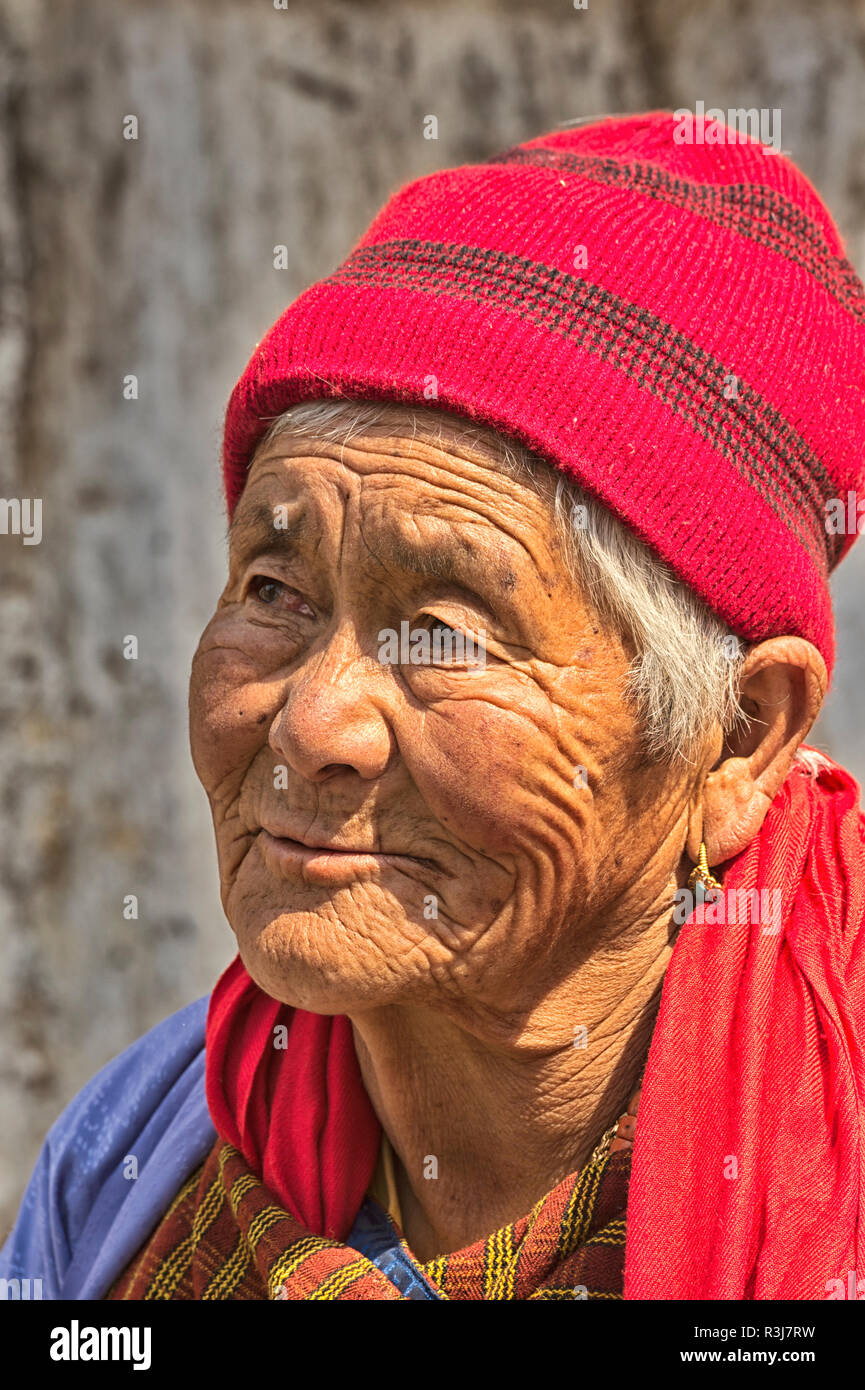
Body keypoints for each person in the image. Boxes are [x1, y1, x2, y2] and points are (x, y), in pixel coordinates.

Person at [2, 110, 864, 1301]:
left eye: (445, 634)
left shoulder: (827, 1201)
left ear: (734, 738)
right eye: (273, 589)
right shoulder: (131, 1166)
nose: (312, 724)